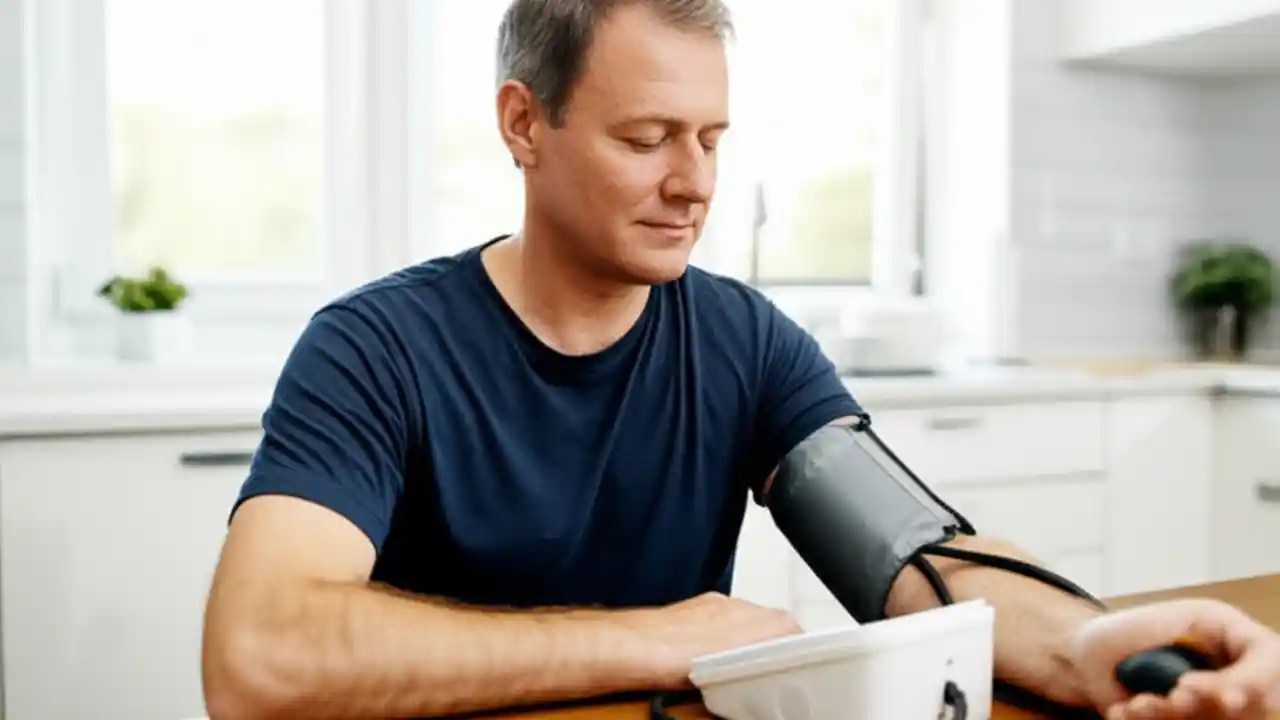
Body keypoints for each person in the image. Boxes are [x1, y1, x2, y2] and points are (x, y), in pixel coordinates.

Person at [201, 1, 1280, 718]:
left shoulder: (743, 342)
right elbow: (260, 656)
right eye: (646, 138)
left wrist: (1089, 645)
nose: (693, 183)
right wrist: (658, 638)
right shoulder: (373, 349)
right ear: (523, 124)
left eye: (711, 139)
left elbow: (914, 557)